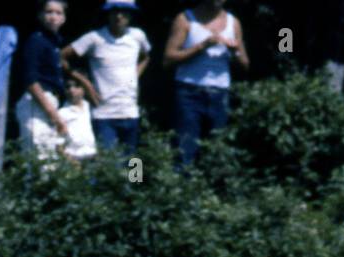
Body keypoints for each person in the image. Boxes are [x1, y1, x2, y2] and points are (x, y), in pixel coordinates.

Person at [164, 1, 250, 166]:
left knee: (218, 151)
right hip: (189, 92)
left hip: (220, 93)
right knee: (185, 150)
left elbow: (245, 64)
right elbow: (168, 59)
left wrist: (235, 52)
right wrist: (201, 46)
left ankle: (214, 190)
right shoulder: (185, 19)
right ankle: (183, 188)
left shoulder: (234, 23)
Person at [62, 1, 151, 155]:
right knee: (109, 164)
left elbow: (146, 57)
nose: (119, 16)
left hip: (131, 112)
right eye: (114, 11)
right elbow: (61, 57)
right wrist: (85, 84)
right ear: (107, 14)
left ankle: (135, 180)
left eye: (124, 12)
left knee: (133, 160)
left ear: (131, 15)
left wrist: (134, 76)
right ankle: (113, 180)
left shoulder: (138, 35)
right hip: (104, 114)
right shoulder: (94, 38)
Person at [16, 0, 72, 170]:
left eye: (58, 13)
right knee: (39, 161)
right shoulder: (36, 41)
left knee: (51, 162)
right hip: (37, 102)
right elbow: (31, 82)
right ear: (40, 15)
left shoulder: (55, 43)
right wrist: (54, 116)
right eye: (49, 12)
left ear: (64, 18)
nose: (53, 17)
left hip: (50, 103)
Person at [56, 76, 98, 163]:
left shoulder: (92, 108)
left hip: (95, 158)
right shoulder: (61, 113)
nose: (72, 90)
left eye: (76, 86)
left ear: (84, 89)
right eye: (68, 87)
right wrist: (73, 162)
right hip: (74, 160)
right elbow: (58, 145)